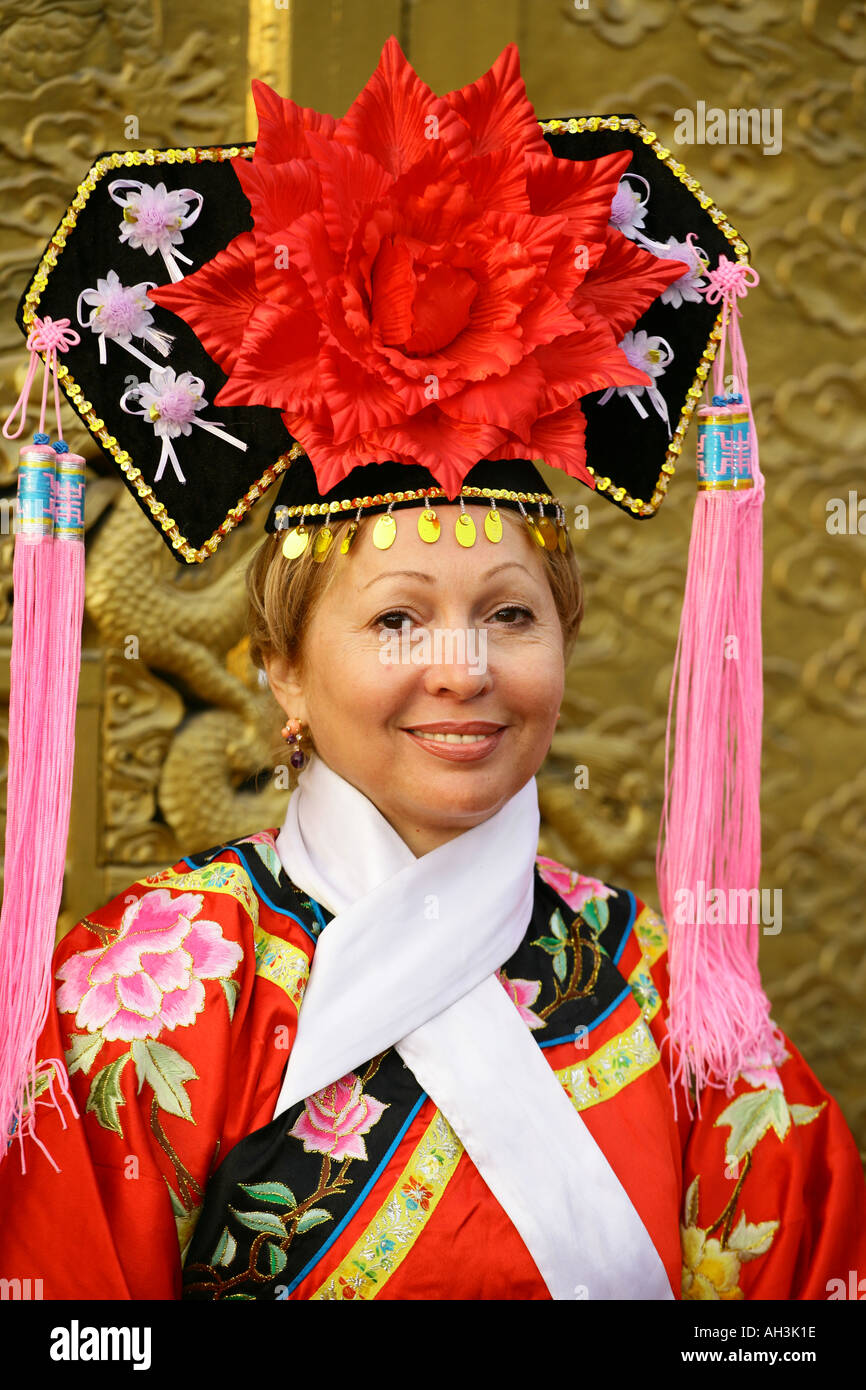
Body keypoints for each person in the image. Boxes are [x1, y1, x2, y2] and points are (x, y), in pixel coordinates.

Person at [0, 38, 863, 1302]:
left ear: (561, 648)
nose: (461, 669)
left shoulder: (673, 1000)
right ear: (281, 671)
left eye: (508, 615)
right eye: (397, 621)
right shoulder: (145, 993)